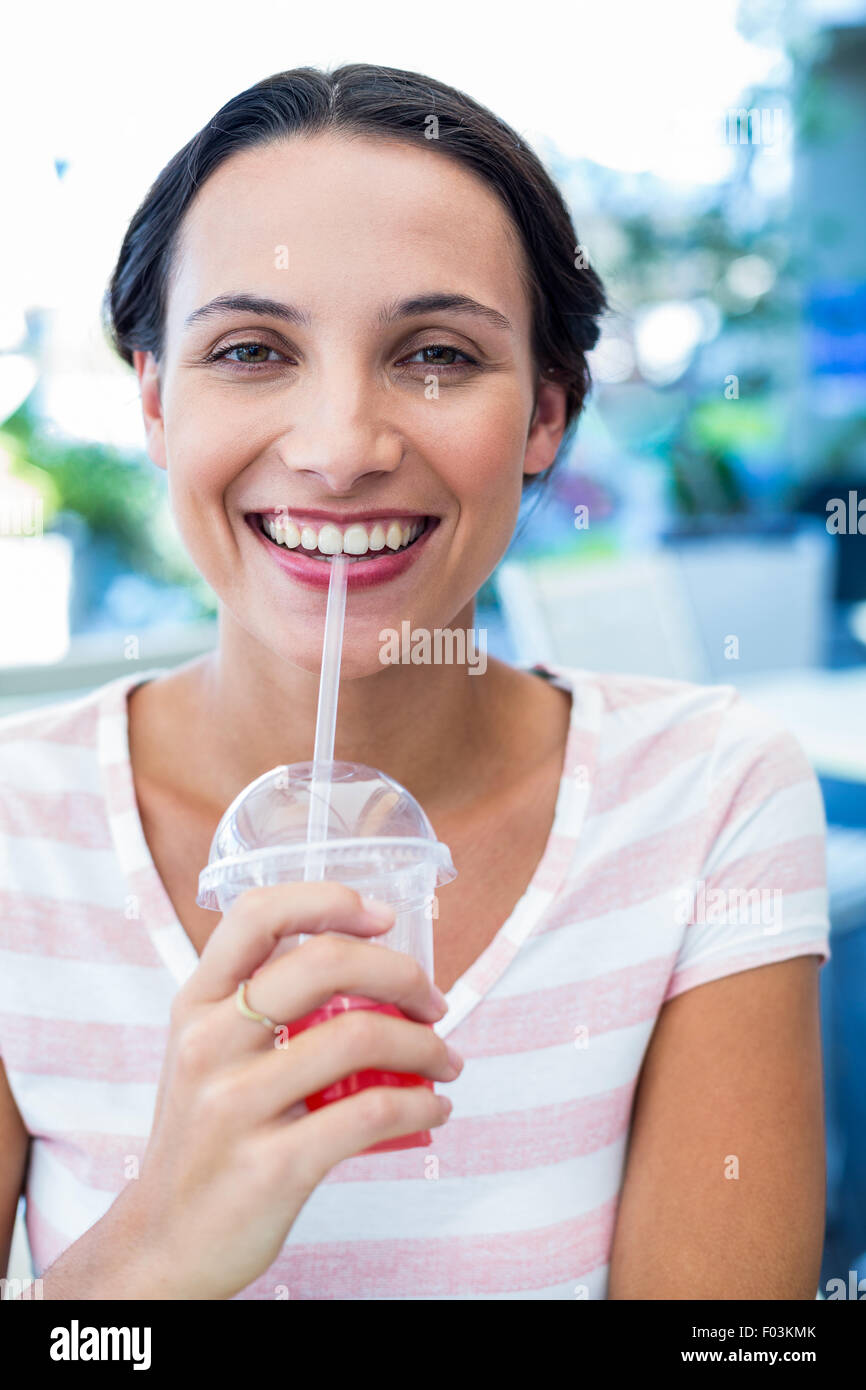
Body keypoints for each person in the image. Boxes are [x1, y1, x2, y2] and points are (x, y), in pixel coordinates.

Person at [0, 64, 831, 1301]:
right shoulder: (18, 830)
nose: (340, 448)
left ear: (546, 412)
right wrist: (155, 1246)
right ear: (157, 402)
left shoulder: (709, 798)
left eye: (435, 354)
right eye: (250, 348)